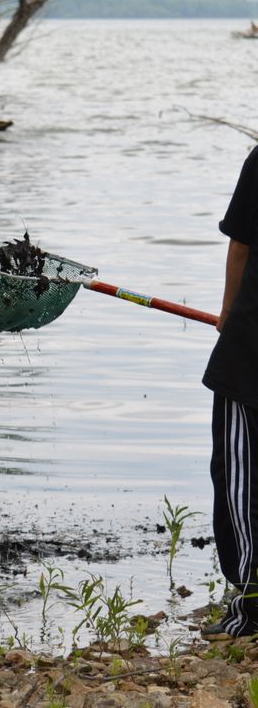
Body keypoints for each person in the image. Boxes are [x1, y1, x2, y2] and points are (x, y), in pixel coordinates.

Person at [202, 143, 258, 640]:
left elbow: (240, 245)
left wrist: (227, 314)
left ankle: (250, 608)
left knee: (239, 477)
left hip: (251, 353)